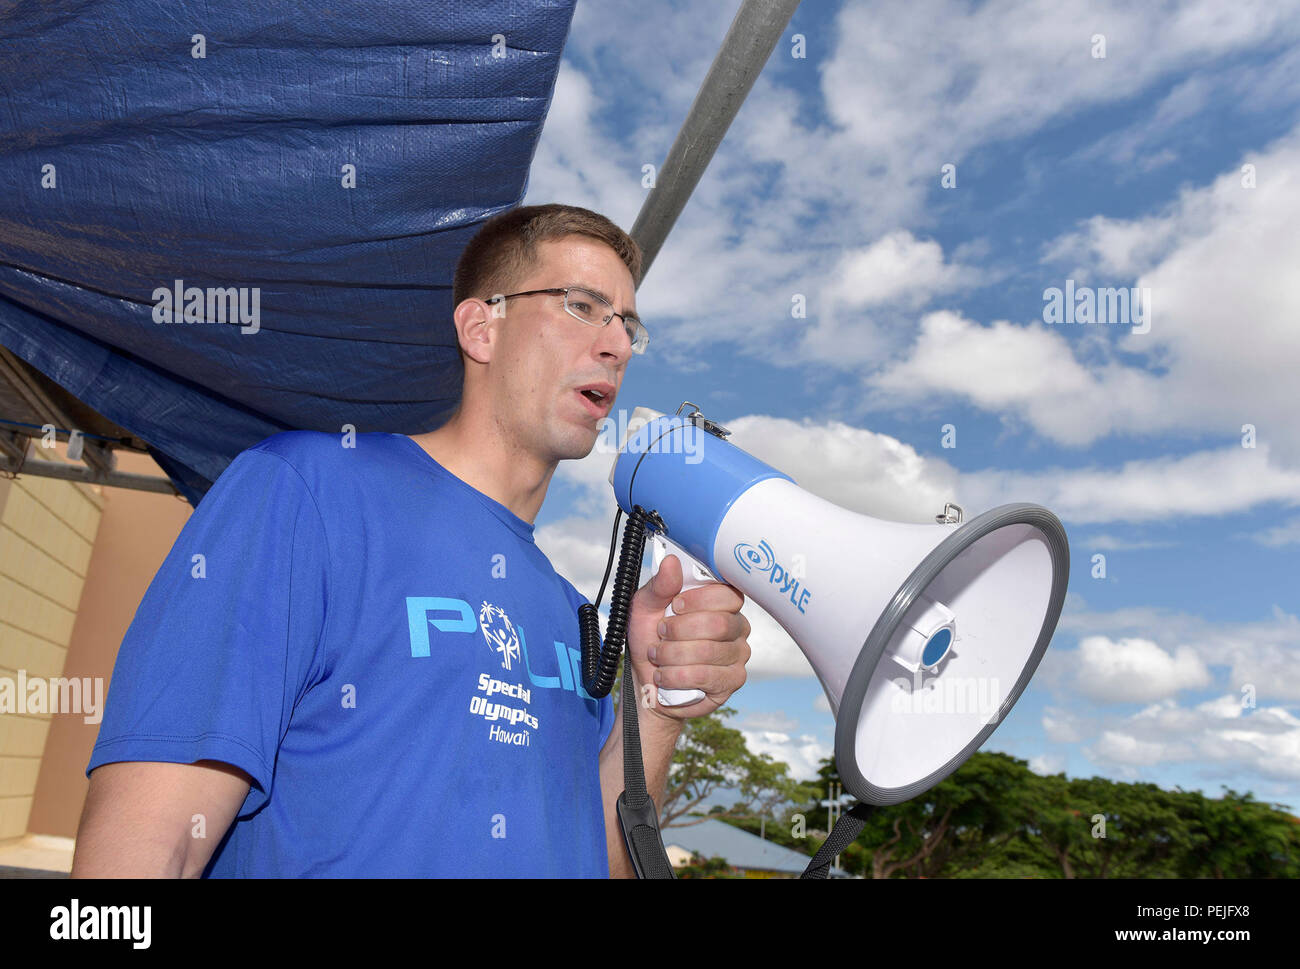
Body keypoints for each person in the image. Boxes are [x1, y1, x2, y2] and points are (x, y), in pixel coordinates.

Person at [71, 203, 753, 877]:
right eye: (581, 305)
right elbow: (153, 844)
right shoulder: (305, 491)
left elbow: (598, 859)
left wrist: (657, 700)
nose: (618, 344)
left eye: (628, 323)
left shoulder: (573, 613)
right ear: (481, 327)